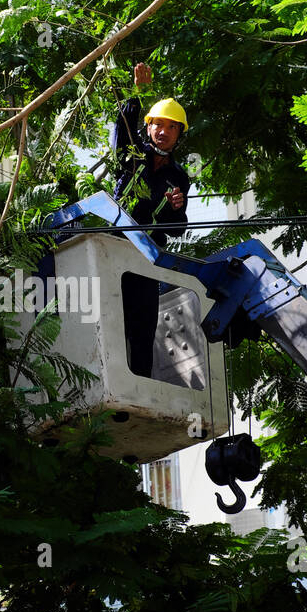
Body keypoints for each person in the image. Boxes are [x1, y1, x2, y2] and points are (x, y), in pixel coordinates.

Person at [111, 62, 192, 378]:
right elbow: (122, 128)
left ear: (178, 135)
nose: (164, 131)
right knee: (112, 316)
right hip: (115, 243)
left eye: (172, 127)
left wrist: (175, 208)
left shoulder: (179, 177)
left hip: (146, 255)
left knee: (143, 326)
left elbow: (178, 228)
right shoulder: (131, 155)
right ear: (148, 128)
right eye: (158, 124)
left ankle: (138, 386)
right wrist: (137, 92)